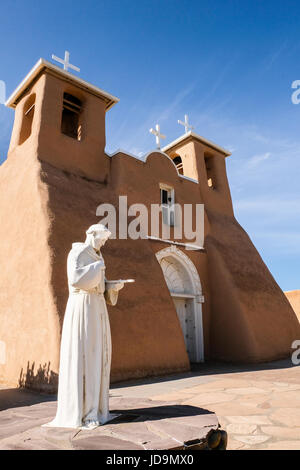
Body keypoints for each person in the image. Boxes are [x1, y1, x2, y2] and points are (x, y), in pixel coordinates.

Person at [44, 223, 124, 429]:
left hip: (97, 307)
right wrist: (97, 268)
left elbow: (99, 284)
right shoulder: (77, 253)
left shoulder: (98, 256)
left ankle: (95, 409)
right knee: (86, 354)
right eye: (103, 238)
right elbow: (76, 279)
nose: (104, 242)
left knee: (98, 355)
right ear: (91, 234)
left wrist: (112, 287)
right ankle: (85, 413)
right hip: (83, 307)